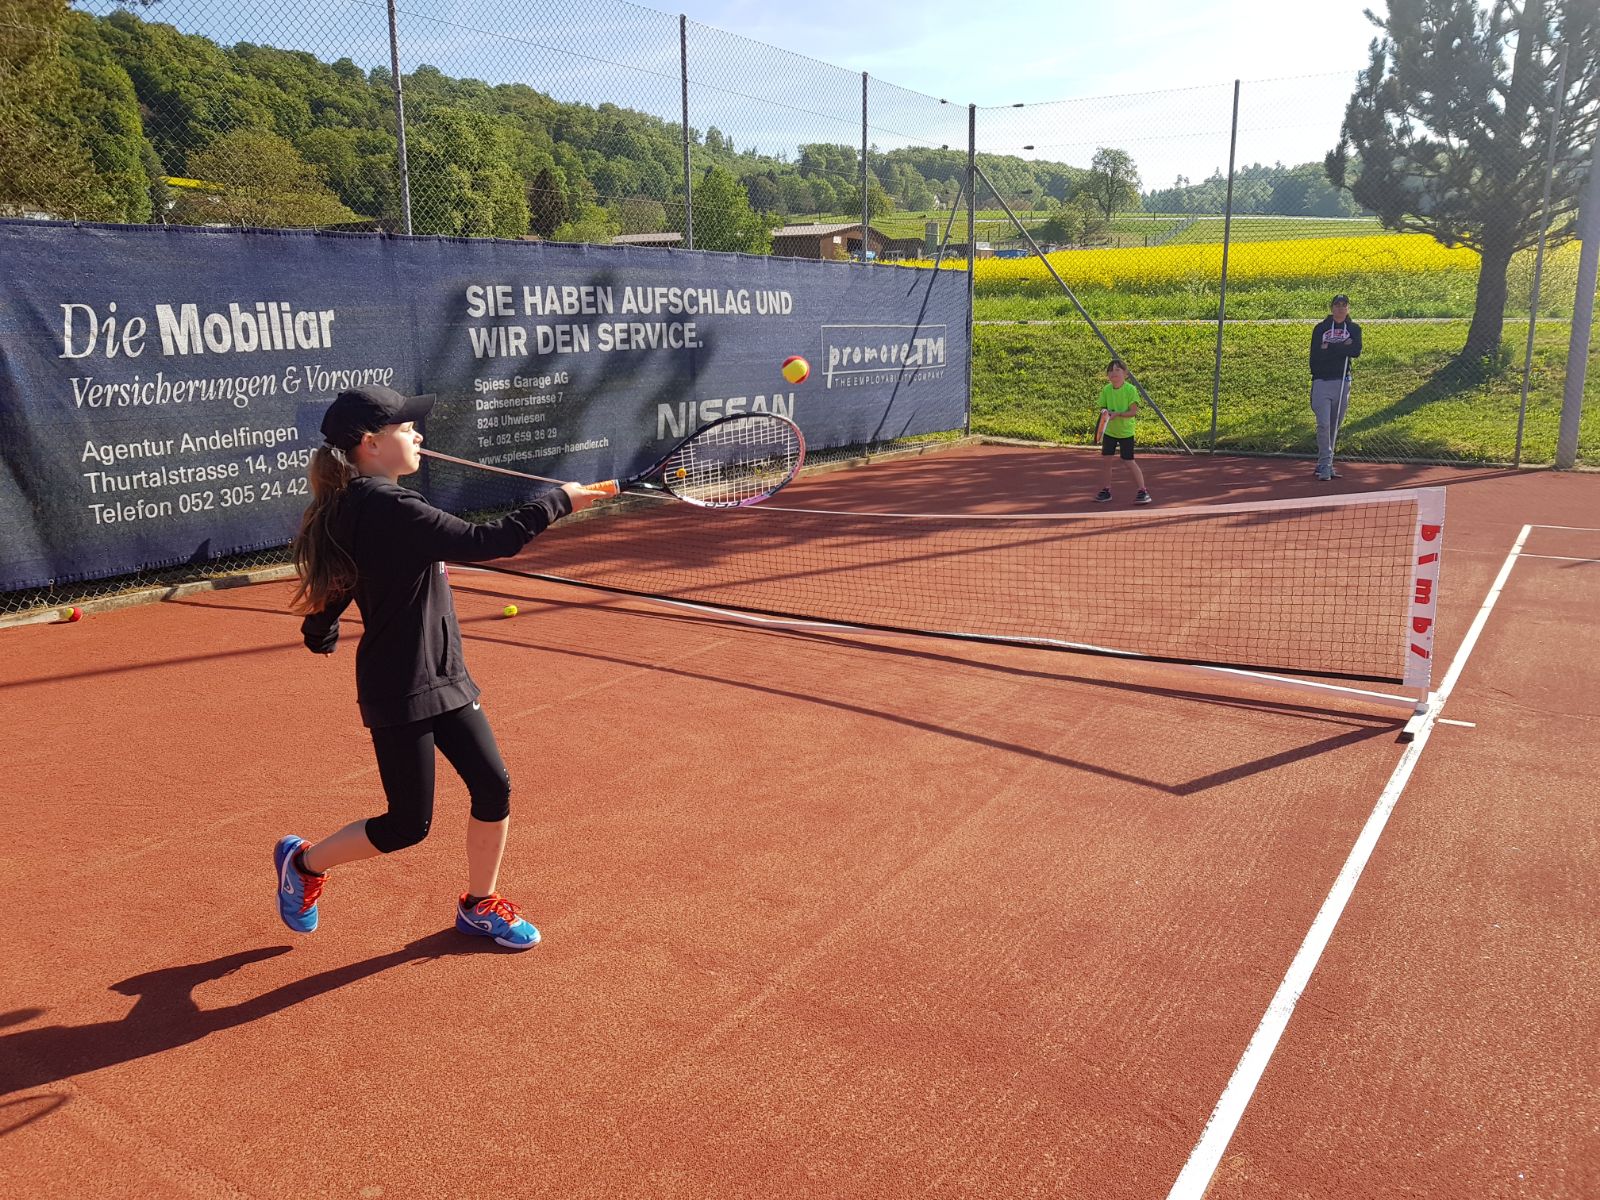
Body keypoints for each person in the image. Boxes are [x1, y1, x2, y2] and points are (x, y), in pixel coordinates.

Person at [278, 384, 605, 950]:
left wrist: (320, 626)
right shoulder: (388, 506)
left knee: (493, 786)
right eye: (407, 429)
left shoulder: (357, 504)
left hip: (445, 675)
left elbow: (346, 575)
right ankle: (304, 864)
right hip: (400, 686)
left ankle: (479, 905)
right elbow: (490, 540)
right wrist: (558, 501)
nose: (419, 436)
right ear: (371, 444)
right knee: (407, 825)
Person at [1309, 293, 1362, 481]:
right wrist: (1342, 347)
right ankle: (1325, 465)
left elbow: (1355, 351)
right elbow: (1317, 356)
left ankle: (1325, 462)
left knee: (1334, 426)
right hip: (1321, 382)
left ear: (1348, 308)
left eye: (1344, 305)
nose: (1340, 308)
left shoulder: (1354, 329)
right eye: (1337, 305)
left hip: (1342, 382)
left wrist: (1330, 347)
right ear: (1331, 308)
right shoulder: (1320, 328)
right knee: (1323, 424)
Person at [1094, 359, 1151, 504]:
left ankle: (1143, 491)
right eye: (1111, 370)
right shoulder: (1106, 390)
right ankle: (1106, 490)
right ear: (1107, 375)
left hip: (1126, 432)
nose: (1114, 373)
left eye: (1117, 370)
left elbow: (1133, 412)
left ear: (1125, 373)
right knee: (1107, 461)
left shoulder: (1130, 390)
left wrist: (1118, 414)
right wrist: (1105, 413)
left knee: (1129, 461)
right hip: (1110, 432)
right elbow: (1103, 408)